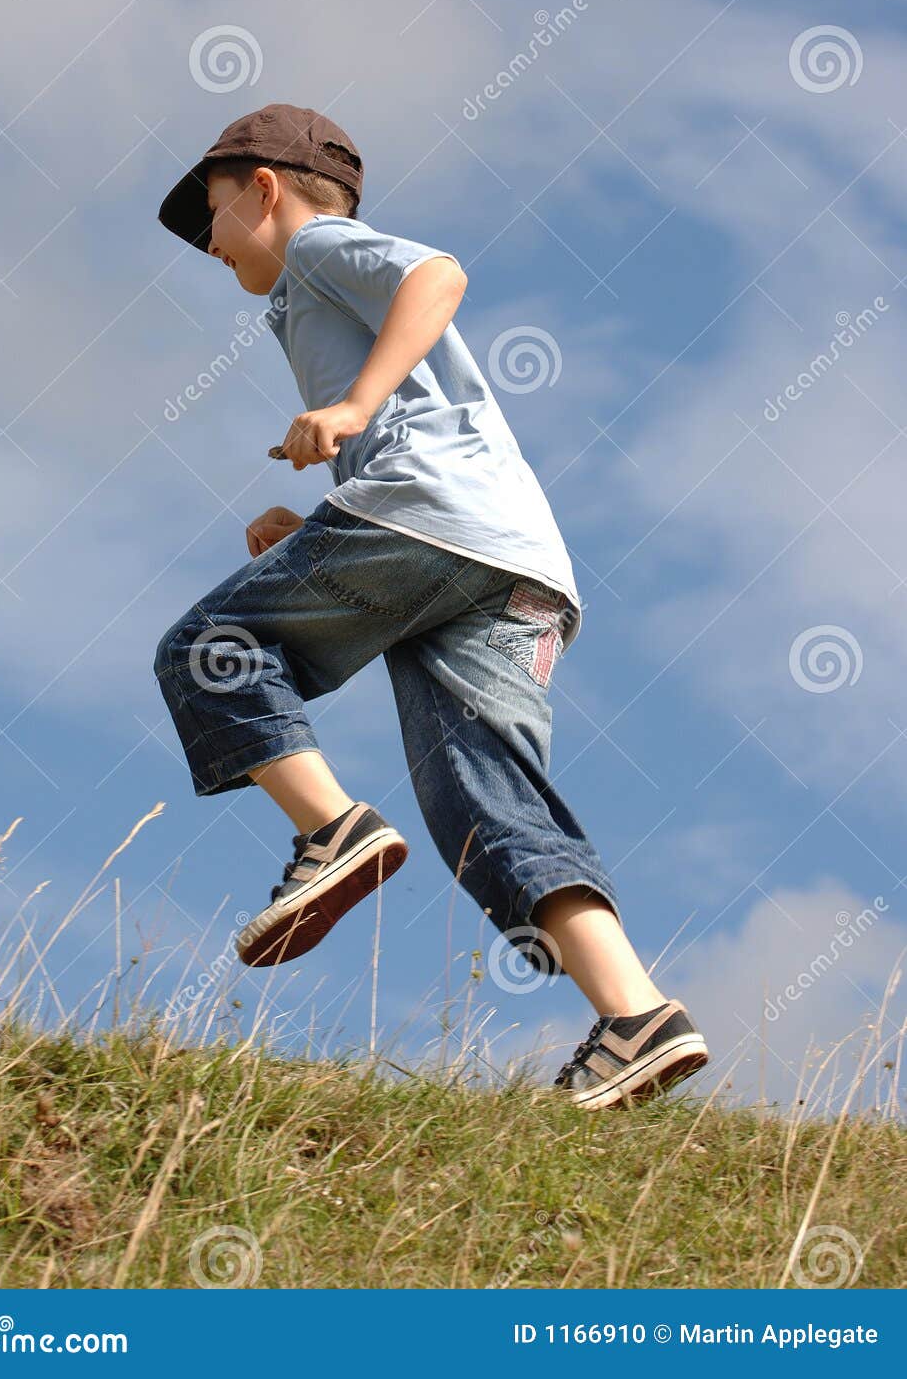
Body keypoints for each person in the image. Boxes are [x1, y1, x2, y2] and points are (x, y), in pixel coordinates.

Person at [153, 103, 708, 1110]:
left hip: (432, 522)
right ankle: (636, 1015)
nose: (209, 244)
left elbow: (436, 275)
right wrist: (322, 520)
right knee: (481, 801)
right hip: (506, 561)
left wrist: (354, 410)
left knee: (211, 645)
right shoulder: (315, 299)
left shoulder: (319, 246)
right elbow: (423, 433)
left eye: (213, 215)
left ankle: (332, 833)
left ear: (265, 188)